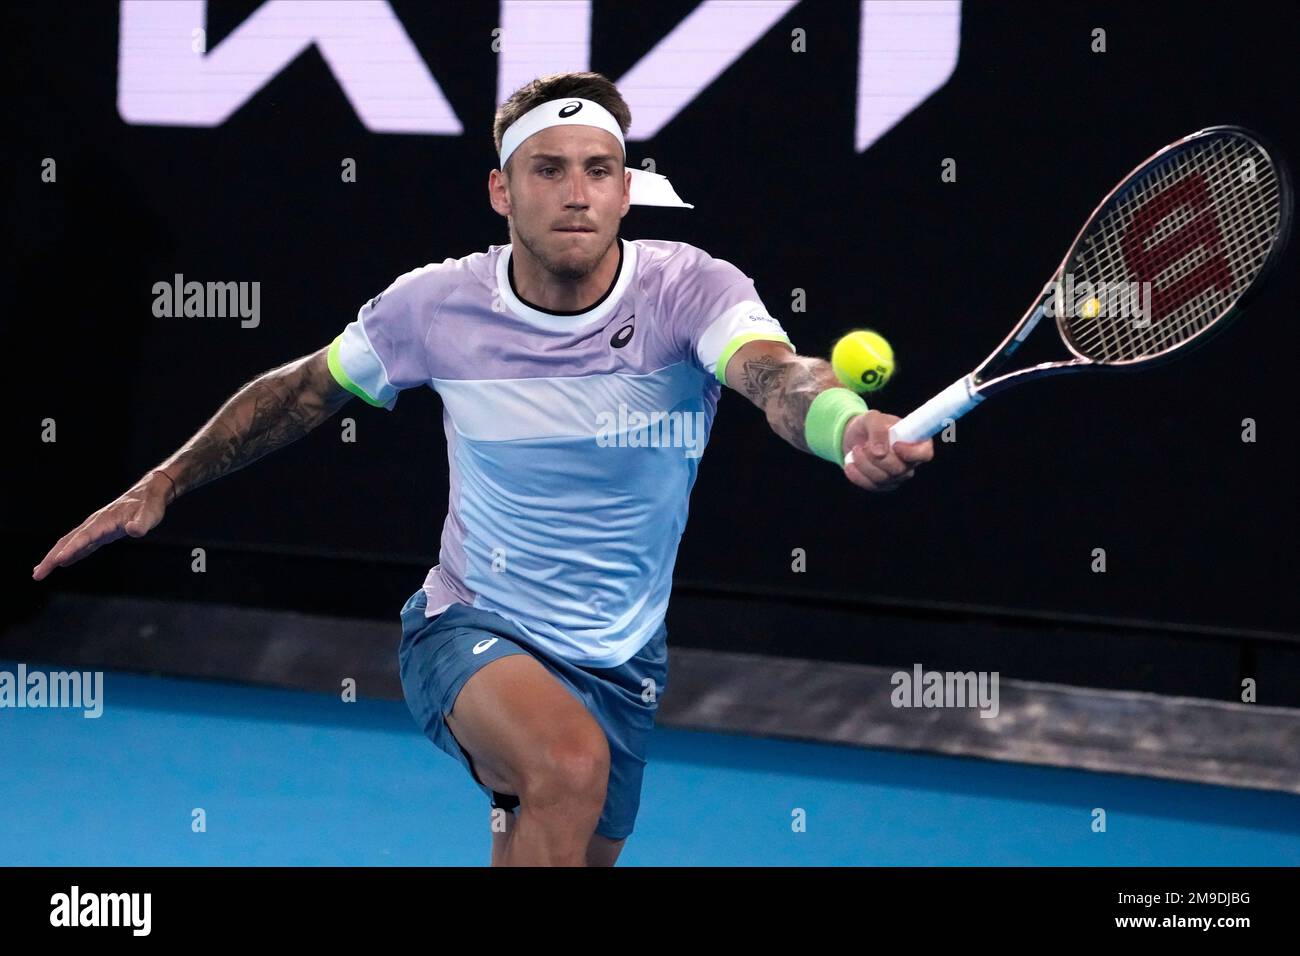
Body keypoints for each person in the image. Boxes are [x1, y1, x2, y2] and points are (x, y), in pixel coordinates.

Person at [32, 71, 934, 866]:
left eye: (598, 170)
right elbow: (303, 391)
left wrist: (844, 425)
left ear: (627, 191)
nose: (575, 193)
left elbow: (777, 376)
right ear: (502, 192)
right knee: (567, 767)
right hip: (467, 627)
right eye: (549, 170)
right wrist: (165, 480)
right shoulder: (436, 306)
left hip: (623, 662)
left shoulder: (690, 289)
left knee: (562, 830)